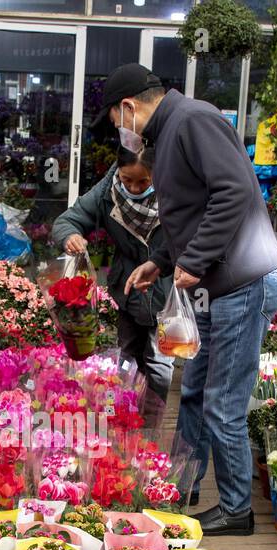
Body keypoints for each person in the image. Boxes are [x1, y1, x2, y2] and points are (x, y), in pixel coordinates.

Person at [97, 64, 277, 536]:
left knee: (223, 402)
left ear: (128, 108)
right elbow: (189, 212)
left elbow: (234, 192)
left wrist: (196, 259)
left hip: (240, 283)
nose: (122, 132)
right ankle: (183, 486)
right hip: (215, 287)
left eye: (117, 123)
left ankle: (237, 511)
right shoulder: (168, 133)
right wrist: (160, 260)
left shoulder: (194, 119)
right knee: (197, 393)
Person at [50, 148, 174, 406]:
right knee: (127, 356)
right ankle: (125, 414)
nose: (135, 187)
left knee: (159, 363)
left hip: (166, 293)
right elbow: (67, 220)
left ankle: (152, 423)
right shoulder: (108, 194)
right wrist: (70, 236)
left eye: (143, 181)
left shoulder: (176, 195)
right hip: (127, 291)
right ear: (118, 171)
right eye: (128, 179)